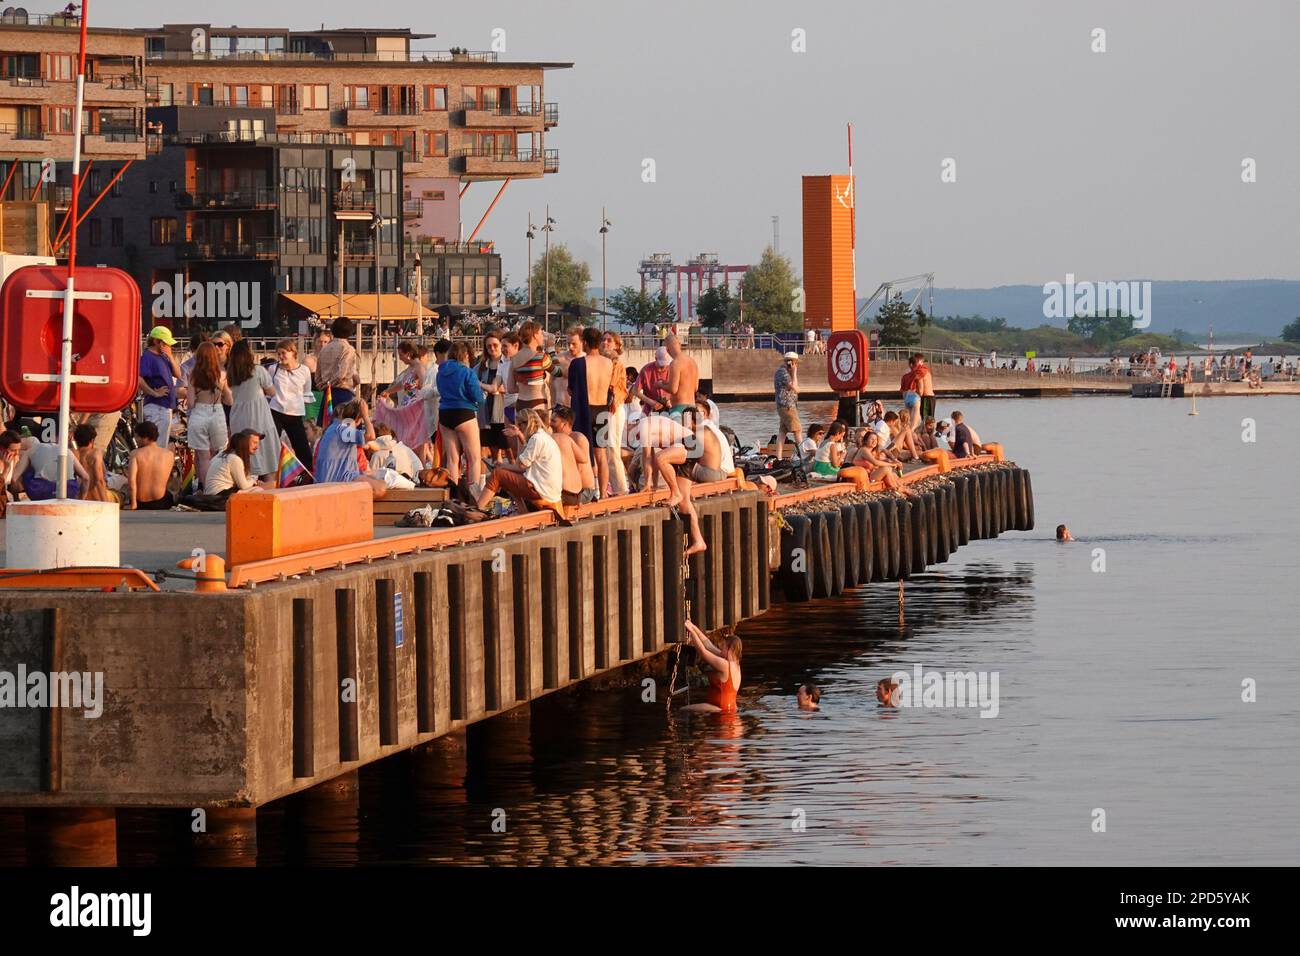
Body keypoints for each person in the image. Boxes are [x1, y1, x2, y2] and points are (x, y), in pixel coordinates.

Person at [637, 411, 706, 555]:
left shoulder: (644, 425)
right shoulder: (650, 428)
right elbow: (650, 460)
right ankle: (699, 540)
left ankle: (675, 492)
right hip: (685, 446)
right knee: (684, 501)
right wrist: (652, 485)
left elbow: (648, 458)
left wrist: (648, 482)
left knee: (661, 458)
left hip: (689, 442)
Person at [473, 407, 564, 512]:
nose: (520, 429)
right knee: (508, 478)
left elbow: (520, 466)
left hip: (541, 489)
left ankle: (477, 510)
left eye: (519, 426)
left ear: (526, 424)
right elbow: (522, 459)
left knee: (497, 474)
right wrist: (518, 435)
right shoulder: (544, 437)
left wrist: (501, 466)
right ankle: (522, 511)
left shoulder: (537, 439)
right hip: (549, 489)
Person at [436, 340, 486, 492]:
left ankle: (454, 493)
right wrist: (482, 396)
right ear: (465, 355)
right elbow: (478, 396)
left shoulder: (440, 371)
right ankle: (474, 494)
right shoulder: (467, 372)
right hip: (464, 413)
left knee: (452, 458)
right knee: (474, 458)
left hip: (445, 414)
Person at [227, 339, 280, 480]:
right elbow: (272, 392)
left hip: (238, 420)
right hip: (259, 419)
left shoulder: (231, 375)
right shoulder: (258, 371)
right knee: (269, 463)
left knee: (244, 464)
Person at [313, 399, 389, 497]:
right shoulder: (342, 429)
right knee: (381, 486)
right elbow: (371, 437)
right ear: (357, 420)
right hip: (340, 480)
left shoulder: (332, 429)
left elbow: (367, 445)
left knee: (375, 476)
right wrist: (365, 415)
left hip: (330, 480)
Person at [185, 341, 231, 487]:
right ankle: (218, 486)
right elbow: (229, 400)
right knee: (219, 453)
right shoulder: (222, 374)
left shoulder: (193, 374)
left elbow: (190, 402)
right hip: (216, 411)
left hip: (199, 412)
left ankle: (206, 489)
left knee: (203, 457)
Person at [677, 620, 742, 715]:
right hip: (730, 708)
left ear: (730, 649)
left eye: (723, 646)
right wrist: (694, 627)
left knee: (682, 709)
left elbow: (703, 652)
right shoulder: (735, 665)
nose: (720, 647)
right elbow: (708, 645)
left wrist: (691, 633)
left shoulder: (725, 665)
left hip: (720, 709)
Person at [268, 338, 314, 470]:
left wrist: (308, 416)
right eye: (279, 354)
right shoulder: (273, 368)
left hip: (295, 413)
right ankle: (269, 474)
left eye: (283, 353)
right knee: (271, 445)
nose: (281, 357)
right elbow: (269, 391)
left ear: (293, 352)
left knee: (302, 447)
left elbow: (307, 393)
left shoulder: (304, 370)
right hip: (276, 411)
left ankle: (308, 474)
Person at [138, 325, 181, 449]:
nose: (169, 347)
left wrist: (171, 357)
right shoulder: (147, 357)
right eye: (166, 343)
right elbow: (139, 378)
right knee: (156, 446)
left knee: (161, 444)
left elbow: (178, 374)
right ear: (157, 342)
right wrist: (153, 393)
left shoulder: (163, 356)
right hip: (156, 407)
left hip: (165, 406)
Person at [549, 406, 598, 505]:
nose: (550, 424)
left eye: (554, 421)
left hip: (584, 491)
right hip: (569, 490)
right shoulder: (558, 438)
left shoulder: (578, 438)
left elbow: (583, 460)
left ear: (564, 424)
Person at [313, 317, 359, 420]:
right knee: (346, 428)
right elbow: (341, 374)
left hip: (327, 393)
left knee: (328, 427)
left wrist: (324, 385)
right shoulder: (348, 349)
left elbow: (317, 377)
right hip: (343, 393)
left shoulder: (324, 349)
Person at [474, 331, 510, 463]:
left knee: (509, 449)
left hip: (503, 410)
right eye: (489, 346)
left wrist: (501, 389)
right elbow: (472, 381)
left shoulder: (507, 363)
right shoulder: (481, 366)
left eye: (495, 345)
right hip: (487, 410)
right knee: (494, 452)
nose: (492, 349)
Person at [602, 331, 630, 495]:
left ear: (617, 345)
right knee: (606, 449)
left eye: (609, 340)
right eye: (603, 340)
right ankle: (612, 486)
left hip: (613, 408)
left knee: (612, 448)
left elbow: (612, 387)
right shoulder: (603, 361)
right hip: (605, 408)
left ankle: (621, 489)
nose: (605, 343)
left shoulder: (616, 363)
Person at [204, 430, 271, 497]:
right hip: (219, 496)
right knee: (258, 491)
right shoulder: (234, 459)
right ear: (244, 443)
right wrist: (253, 481)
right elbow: (244, 486)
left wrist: (252, 481)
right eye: (254, 443)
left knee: (256, 489)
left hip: (214, 493)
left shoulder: (224, 454)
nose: (257, 447)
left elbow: (244, 481)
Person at [128, 420, 177, 510]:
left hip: (141, 502)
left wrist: (133, 504)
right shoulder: (169, 455)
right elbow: (166, 479)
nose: (136, 441)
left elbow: (131, 481)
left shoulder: (135, 454)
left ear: (145, 437)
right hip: (161, 500)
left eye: (137, 437)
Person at [507, 320, 552, 412]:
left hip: (521, 403)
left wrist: (525, 386)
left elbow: (511, 388)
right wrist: (552, 349)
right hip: (538, 403)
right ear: (535, 335)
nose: (542, 337)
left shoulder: (514, 358)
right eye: (540, 333)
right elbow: (558, 372)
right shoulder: (541, 357)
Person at [72, 424, 112, 502]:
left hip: (77, 499)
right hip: (95, 499)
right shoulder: (95, 453)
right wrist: (106, 502)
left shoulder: (72, 453)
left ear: (76, 440)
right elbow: (99, 480)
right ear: (92, 440)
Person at [663, 333, 699, 417]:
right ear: (680, 345)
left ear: (667, 350)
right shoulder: (693, 362)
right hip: (693, 407)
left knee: (676, 430)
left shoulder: (675, 363)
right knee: (696, 430)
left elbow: (673, 389)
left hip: (679, 409)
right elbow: (695, 388)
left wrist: (660, 385)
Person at [773, 351, 801, 460]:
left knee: (782, 432)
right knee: (797, 430)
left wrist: (794, 373)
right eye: (793, 363)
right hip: (787, 406)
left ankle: (778, 458)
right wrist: (794, 373)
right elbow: (796, 388)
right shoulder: (783, 373)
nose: (794, 365)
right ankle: (803, 455)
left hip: (784, 406)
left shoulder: (784, 372)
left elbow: (796, 386)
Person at [633, 346, 672, 415]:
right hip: (650, 409)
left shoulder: (672, 369)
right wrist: (651, 402)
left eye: (664, 365)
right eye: (661, 366)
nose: (662, 369)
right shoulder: (646, 370)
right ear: (656, 358)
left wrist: (671, 401)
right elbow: (635, 391)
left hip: (670, 408)